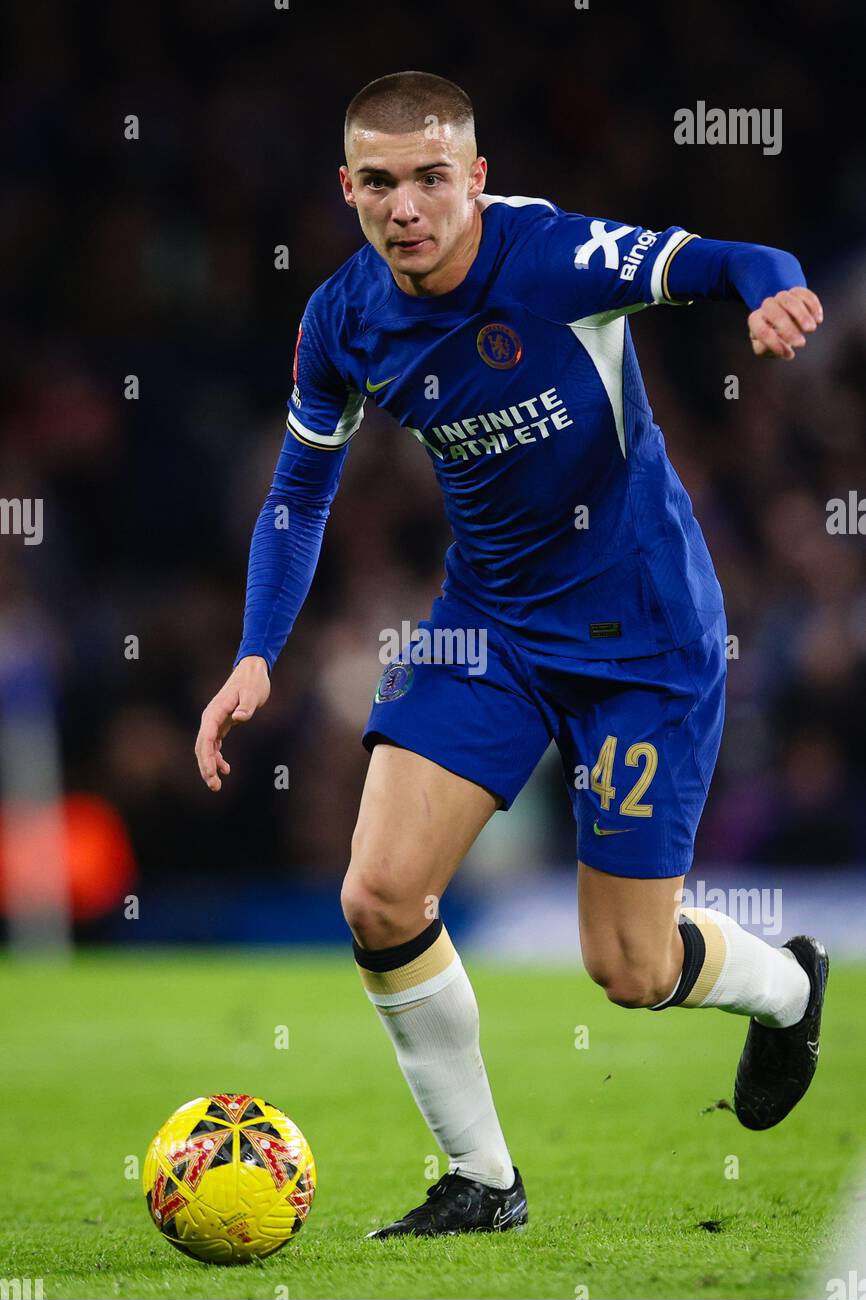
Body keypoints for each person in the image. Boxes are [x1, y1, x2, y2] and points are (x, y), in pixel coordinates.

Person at [195, 71, 828, 1239]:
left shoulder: (551, 256)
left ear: (474, 179)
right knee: (379, 892)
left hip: (642, 633)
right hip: (485, 623)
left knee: (630, 968)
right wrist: (255, 652)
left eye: (431, 178)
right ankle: (482, 1181)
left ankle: (788, 989)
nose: (406, 206)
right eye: (378, 183)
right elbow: (296, 492)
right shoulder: (343, 318)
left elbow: (729, 258)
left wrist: (773, 293)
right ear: (347, 189)